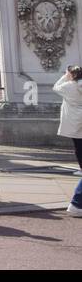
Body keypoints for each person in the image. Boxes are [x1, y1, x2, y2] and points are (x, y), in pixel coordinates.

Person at [54, 65, 82, 216]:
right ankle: (76, 204)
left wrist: (65, 76)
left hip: (75, 126)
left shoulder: (68, 86)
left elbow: (56, 87)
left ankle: (76, 204)